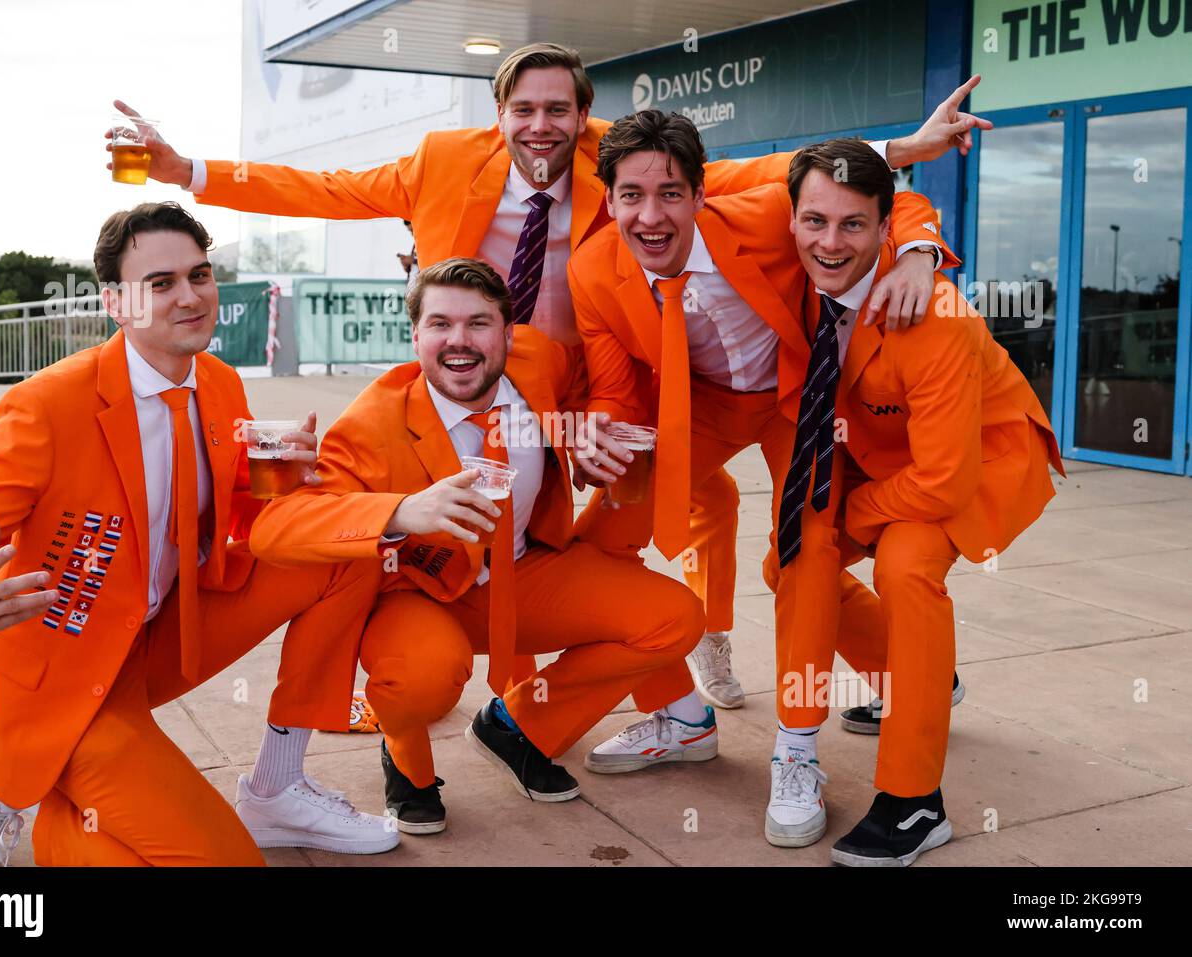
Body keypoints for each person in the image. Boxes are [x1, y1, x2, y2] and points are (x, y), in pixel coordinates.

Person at [107, 46, 992, 706]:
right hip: (491, 373)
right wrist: (187, 171)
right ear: (499, 112)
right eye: (524, 108)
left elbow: (768, 174)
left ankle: (732, 664)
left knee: (721, 522)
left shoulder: (619, 162)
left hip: (619, 376)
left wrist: (904, 156)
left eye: (558, 109)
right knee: (498, 532)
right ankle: (487, 682)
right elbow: (325, 189)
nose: (541, 125)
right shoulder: (440, 163)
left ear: (582, 116)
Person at [0, 202, 395, 866]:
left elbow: (228, 520)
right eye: (160, 284)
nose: (189, 297)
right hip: (64, 664)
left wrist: (284, 484)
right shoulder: (47, 406)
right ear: (117, 301)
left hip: (160, 634)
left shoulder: (219, 385)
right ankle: (13, 800)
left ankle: (277, 787)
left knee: (349, 548)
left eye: (200, 274)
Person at [249, 258, 708, 834]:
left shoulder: (540, 361)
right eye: (439, 324)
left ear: (509, 334)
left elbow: (598, 387)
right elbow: (277, 529)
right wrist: (397, 511)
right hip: (420, 593)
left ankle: (517, 727)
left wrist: (594, 425)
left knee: (674, 619)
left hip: (524, 575)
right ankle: (405, 757)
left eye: (478, 324)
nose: (458, 342)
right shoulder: (372, 423)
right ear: (414, 335)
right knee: (422, 678)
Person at [564, 110, 954, 775]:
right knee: (592, 548)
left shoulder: (774, 213)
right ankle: (681, 716)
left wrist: (919, 255)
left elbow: (892, 200)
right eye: (631, 195)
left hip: (795, 394)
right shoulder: (592, 271)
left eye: (670, 194)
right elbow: (614, 392)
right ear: (608, 200)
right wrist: (594, 430)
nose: (650, 216)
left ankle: (799, 748)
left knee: (803, 551)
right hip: (703, 405)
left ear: (701, 192)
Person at [769, 138, 1062, 865]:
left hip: (979, 459)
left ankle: (913, 802)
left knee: (904, 567)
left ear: (883, 227)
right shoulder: (792, 271)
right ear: (793, 219)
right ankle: (920, 680)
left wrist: (852, 517)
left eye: (853, 226)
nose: (829, 242)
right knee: (793, 564)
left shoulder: (932, 313)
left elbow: (943, 481)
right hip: (883, 451)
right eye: (815, 221)